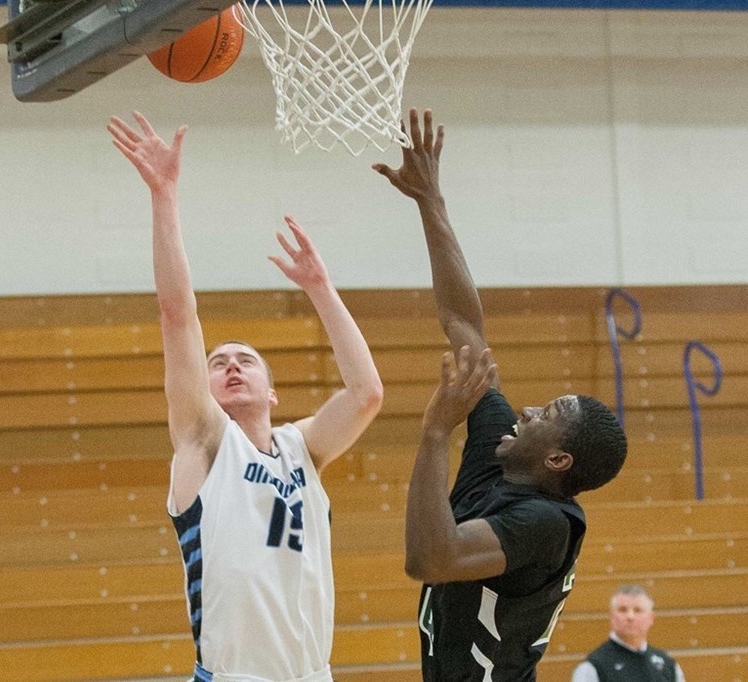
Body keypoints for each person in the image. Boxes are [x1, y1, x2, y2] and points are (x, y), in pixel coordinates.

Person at [108, 112, 384, 682]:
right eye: (218, 363)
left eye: (247, 361)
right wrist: (165, 197)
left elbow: (367, 393)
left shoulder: (302, 448)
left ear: (272, 392)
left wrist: (321, 289)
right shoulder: (204, 441)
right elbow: (178, 316)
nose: (232, 365)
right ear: (203, 390)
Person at [373, 108, 628, 681]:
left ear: (558, 459)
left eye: (551, 413)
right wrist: (430, 203)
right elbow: (465, 326)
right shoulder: (501, 450)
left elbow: (430, 560)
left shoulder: (546, 522)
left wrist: (436, 432)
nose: (530, 408)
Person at [571, 585, 686, 682]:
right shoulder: (594, 667)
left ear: (651, 618)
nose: (630, 616)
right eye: (622, 610)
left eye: (637, 610)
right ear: (612, 617)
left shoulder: (668, 665)